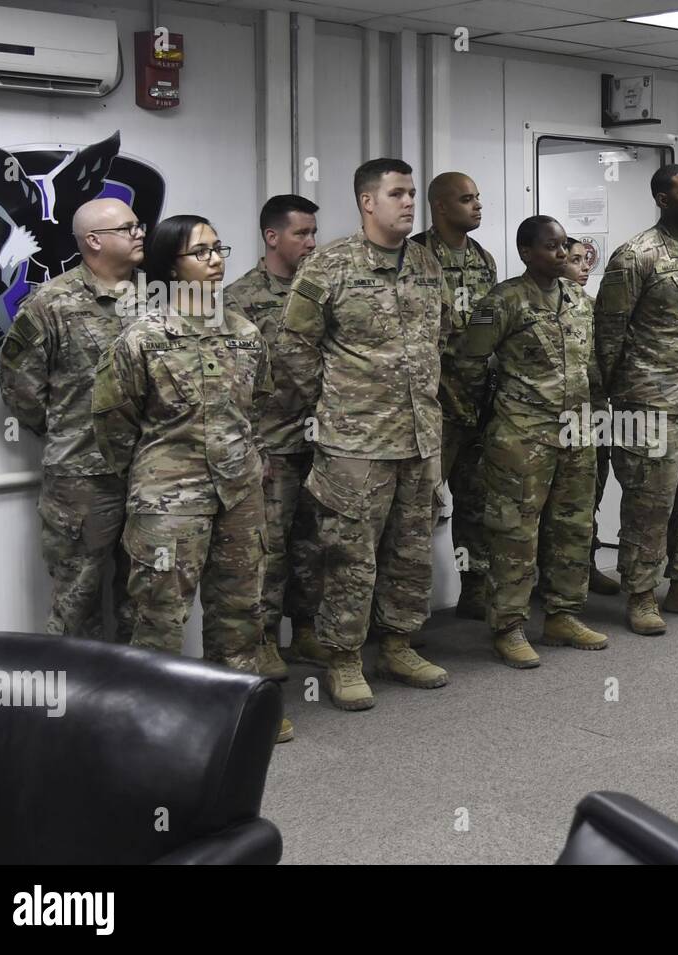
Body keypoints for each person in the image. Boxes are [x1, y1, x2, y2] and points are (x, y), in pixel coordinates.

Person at [91, 215, 291, 743]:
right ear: (168, 267)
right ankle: (151, 721)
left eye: (218, 247)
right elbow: (114, 421)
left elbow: (261, 402)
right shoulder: (142, 337)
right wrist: (155, 473)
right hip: (168, 496)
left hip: (240, 490)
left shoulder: (245, 333)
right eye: (200, 252)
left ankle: (237, 713)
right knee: (158, 610)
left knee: (241, 606)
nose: (216, 259)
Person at [278, 158, 451, 711]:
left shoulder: (427, 265)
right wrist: (335, 409)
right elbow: (294, 350)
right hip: (355, 446)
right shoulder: (328, 267)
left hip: (419, 438)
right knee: (349, 558)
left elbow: (437, 339)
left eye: (412, 194)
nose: (408, 203)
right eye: (397, 194)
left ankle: (398, 644)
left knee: (411, 552)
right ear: (367, 201)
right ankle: (343, 658)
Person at [455, 216, 607, 667]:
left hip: (576, 434)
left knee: (574, 527)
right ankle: (508, 625)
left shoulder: (580, 301)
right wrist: (503, 407)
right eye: (551, 247)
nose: (561, 254)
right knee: (515, 532)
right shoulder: (504, 300)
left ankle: (562, 614)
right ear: (526, 252)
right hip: (523, 436)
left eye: (564, 246)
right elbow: (468, 363)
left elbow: (590, 366)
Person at [593, 164, 678, 635]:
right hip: (649, 401)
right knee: (650, 503)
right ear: (661, 198)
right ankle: (640, 593)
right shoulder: (635, 256)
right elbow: (607, 332)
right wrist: (616, 398)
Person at [0, 198, 144, 642]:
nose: (140, 233)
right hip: (82, 477)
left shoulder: (157, 299)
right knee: (77, 599)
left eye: (139, 225)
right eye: (128, 227)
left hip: (150, 472)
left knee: (145, 597)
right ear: (94, 241)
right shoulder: (51, 303)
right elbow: (19, 385)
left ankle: (142, 698)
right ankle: (77, 705)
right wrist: (69, 427)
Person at [224, 194, 326, 679]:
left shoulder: (324, 292)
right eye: (300, 233)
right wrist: (250, 446)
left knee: (315, 542)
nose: (310, 243)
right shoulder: (238, 299)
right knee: (269, 548)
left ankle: (305, 628)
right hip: (271, 444)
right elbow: (228, 383)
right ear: (272, 236)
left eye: (313, 233)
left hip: (323, 440)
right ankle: (263, 637)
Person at [409, 172, 497, 619]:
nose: (477, 205)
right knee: (418, 505)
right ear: (440, 207)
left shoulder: (484, 259)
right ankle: (405, 605)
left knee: (476, 498)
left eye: (477, 197)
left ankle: (476, 586)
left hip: (478, 399)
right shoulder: (416, 257)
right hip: (435, 404)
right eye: (467, 199)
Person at [563, 237, 619, 597]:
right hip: (561, 418)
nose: (584, 266)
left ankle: (587, 564)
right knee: (563, 500)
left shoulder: (592, 306)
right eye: (574, 260)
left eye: (586, 260)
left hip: (594, 413)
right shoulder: (548, 303)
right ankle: (556, 574)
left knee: (591, 493)